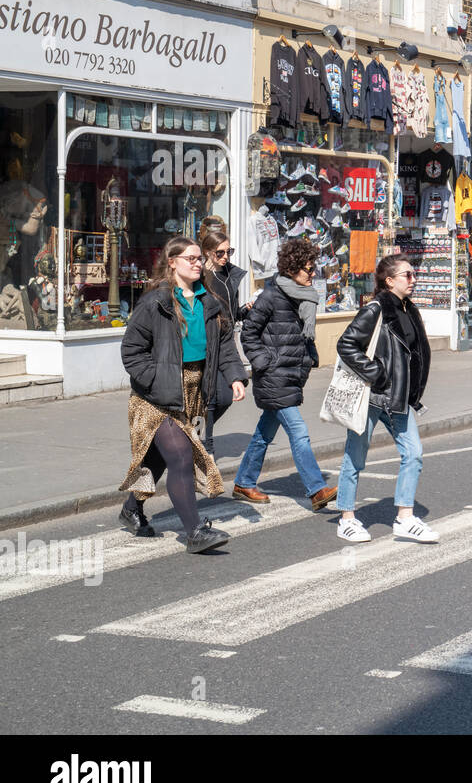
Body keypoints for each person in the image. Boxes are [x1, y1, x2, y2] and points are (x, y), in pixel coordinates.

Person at [118, 236, 248, 553]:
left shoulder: (209, 302)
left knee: (160, 457)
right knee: (180, 455)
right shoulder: (156, 303)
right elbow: (132, 352)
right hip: (155, 395)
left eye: (198, 258)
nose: (196, 263)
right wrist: (156, 380)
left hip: (193, 392)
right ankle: (194, 532)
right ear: (172, 262)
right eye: (189, 258)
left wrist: (235, 377)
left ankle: (131, 508)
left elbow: (226, 347)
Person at [333, 254, 437, 544]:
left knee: (413, 454)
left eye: (413, 274)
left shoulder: (409, 309)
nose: (413, 280)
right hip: (372, 397)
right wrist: (376, 373)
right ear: (389, 281)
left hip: (400, 399)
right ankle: (347, 518)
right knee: (355, 456)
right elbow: (346, 344)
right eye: (407, 275)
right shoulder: (376, 309)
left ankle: (404, 518)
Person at [232, 238, 337, 509]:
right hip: (274, 376)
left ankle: (244, 482)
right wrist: (264, 361)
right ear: (292, 268)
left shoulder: (301, 298)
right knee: (299, 432)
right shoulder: (271, 296)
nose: (313, 274)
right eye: (308, 269)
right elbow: (249, 332)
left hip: (290, 375)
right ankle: (316, 489)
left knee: (264, 434)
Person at [199, 229, 251, 456]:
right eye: (220, 252)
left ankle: (195, 432)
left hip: (226, 340)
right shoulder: (200, 278)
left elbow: (232, 313)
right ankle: (206, 447)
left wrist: (245, 311)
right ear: (207, 252)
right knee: (210, 397)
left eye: (229, 251)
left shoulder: (230, 276)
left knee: (225, 397)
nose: (225, 257)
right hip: (206, 341)